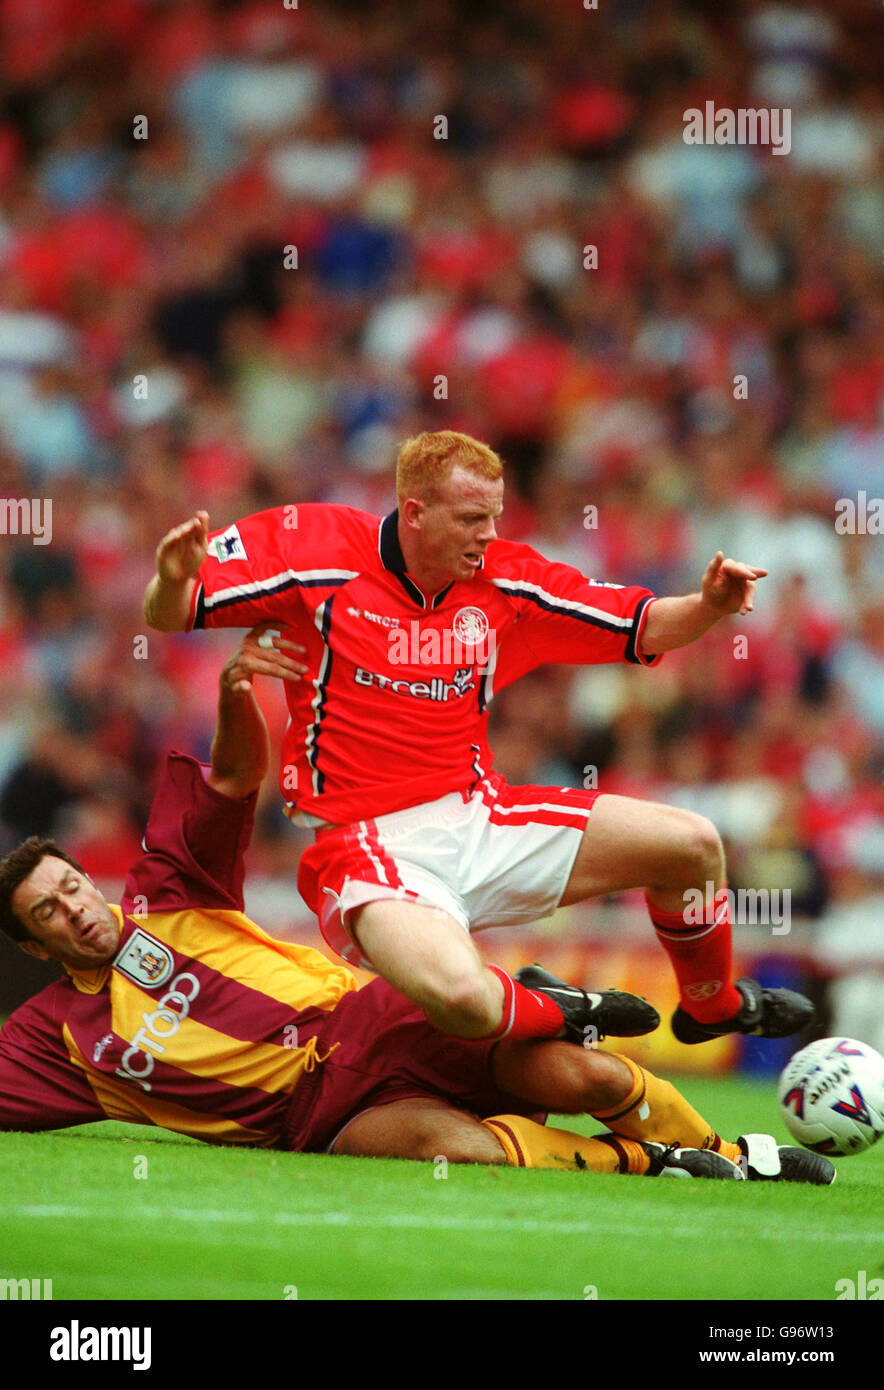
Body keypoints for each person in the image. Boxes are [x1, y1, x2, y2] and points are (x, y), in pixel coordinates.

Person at [0, 627, 832, 1185]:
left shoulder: (168, 888)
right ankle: (657, 1162)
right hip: (318, 1116)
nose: (72, 910)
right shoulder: (53, 1041)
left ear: (88, 877)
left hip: (368, 1018)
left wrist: (235, 693)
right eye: (48, 915)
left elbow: (231, 780)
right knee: (448, 1148)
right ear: (37, 948)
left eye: (70, 887)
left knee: (582, 1072)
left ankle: (731, 1151)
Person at [141, 429, 814, 1049]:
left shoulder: (508, 581)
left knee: (691, 845)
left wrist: (708, 607)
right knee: (463, 998)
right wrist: (172, 578)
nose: (488, 535)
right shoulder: (311, 549)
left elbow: (639, 623)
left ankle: (713, 1007)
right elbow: (171, 614)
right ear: (414, 512)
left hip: (480, 815)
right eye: (471, 519)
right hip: (367, 846)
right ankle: (564, 1007)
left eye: (494, 517)